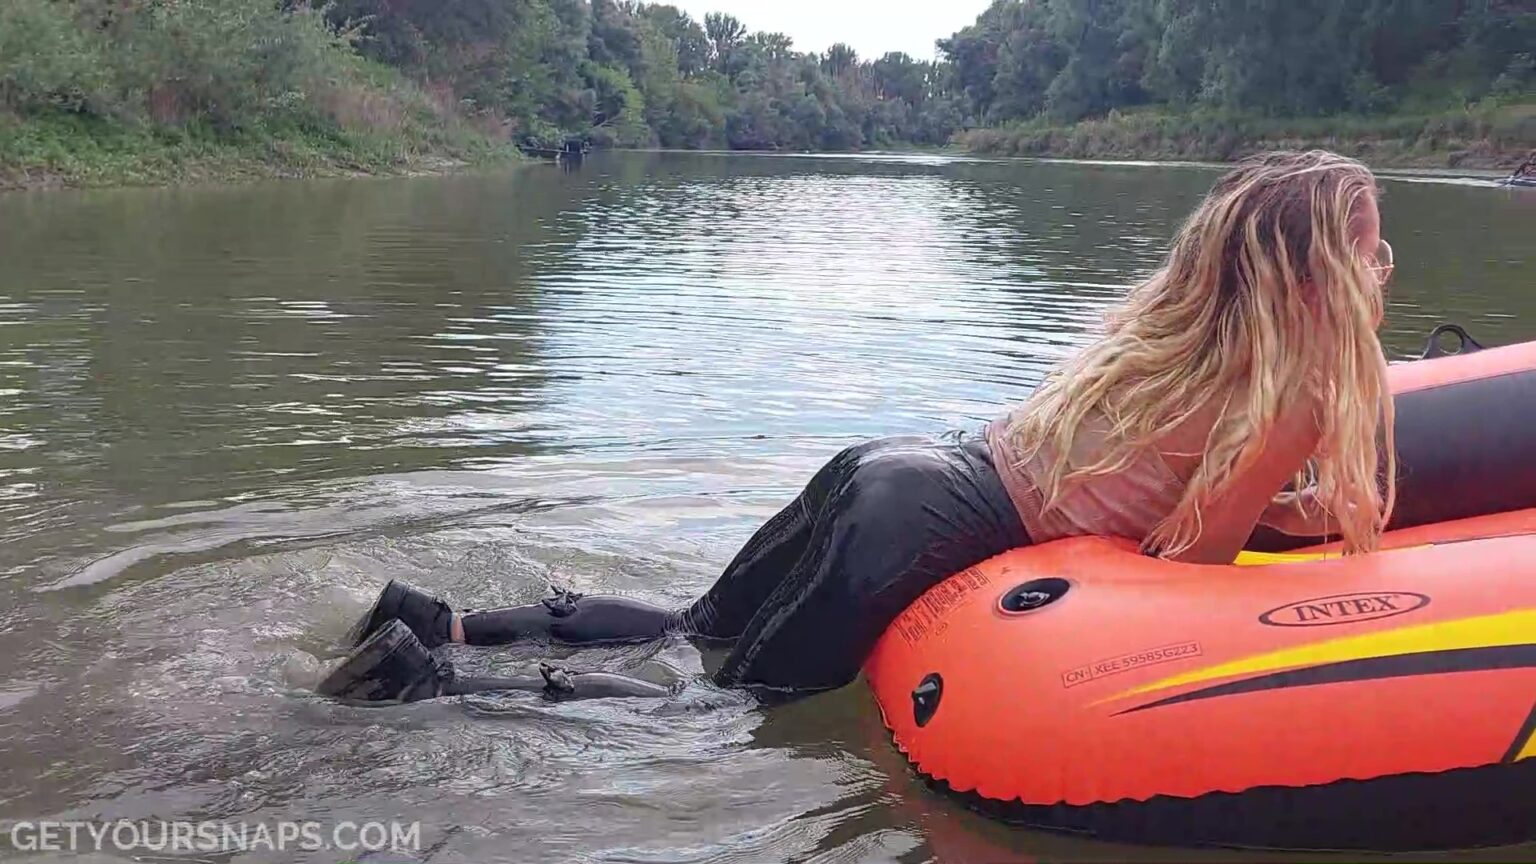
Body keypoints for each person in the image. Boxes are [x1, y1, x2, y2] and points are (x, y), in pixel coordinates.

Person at [319, 149, 1398, 704]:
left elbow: (1148, 492)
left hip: (896, 470)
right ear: (1313, 281)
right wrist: (1291, 490)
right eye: (1371, 250)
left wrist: (1278, 510)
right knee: (724, 707)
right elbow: (1190, 570)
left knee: (694, 630)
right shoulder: (1285, 401)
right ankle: (428, 685)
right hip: (919, 530)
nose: (1386, 266)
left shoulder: (1173, 340)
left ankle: (439, 624)